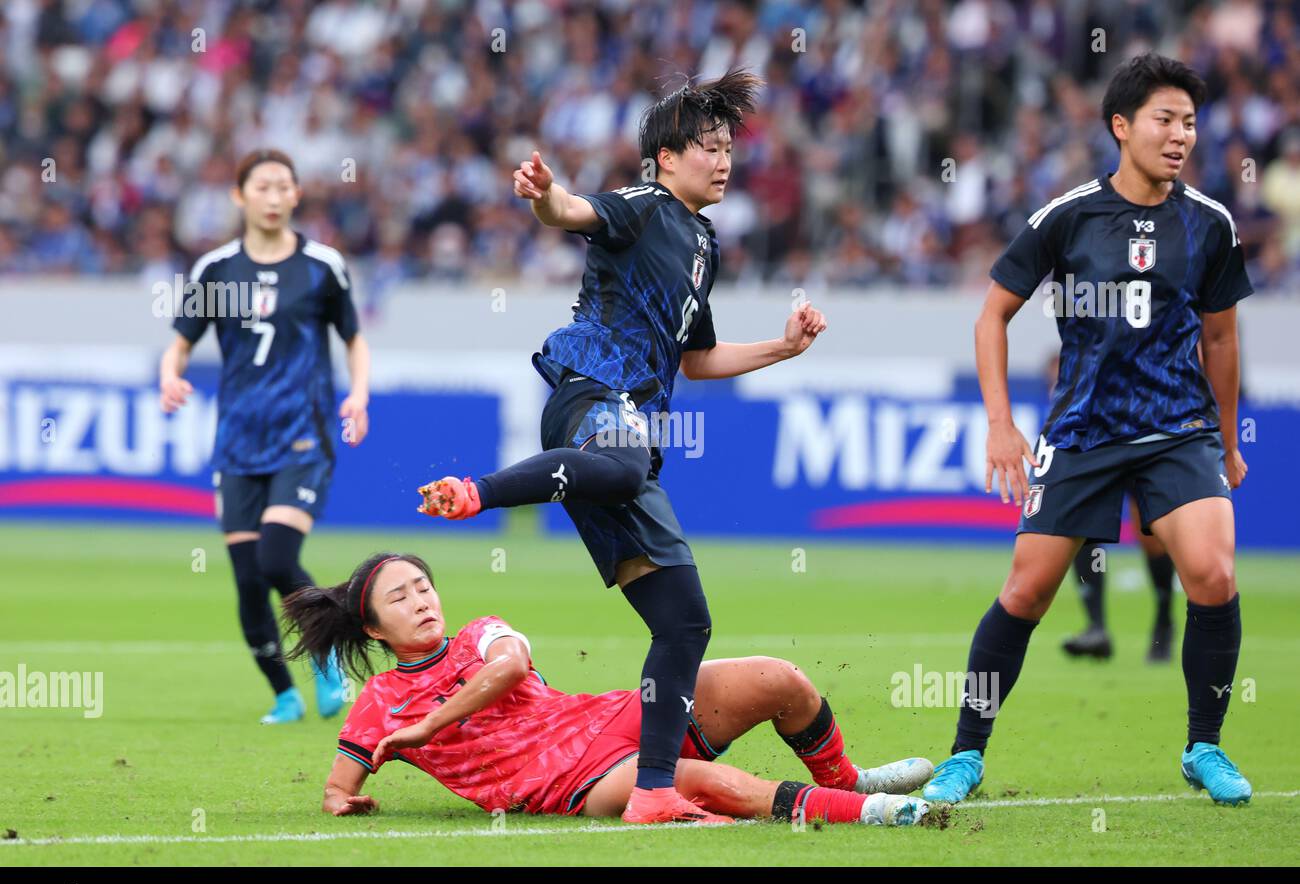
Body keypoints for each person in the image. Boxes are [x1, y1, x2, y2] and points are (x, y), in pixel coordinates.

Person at [415, 70, 830, 824]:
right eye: (709, 146)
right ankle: (481, 491)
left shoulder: (702, 244)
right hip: (591, 398)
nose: (724, 160)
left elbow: (694, 359)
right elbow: (571, 211)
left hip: (628, 430)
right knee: (629, 461)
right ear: (666, 159)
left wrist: (783, 348)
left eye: (730, 146)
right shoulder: (644, 206)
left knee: (685, 620)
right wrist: (544, 192)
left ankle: (652, 789)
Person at [923, 53, 1254, 806]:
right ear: (1122, 126)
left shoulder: (1210, 224)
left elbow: (1224, 341)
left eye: (1190, 123)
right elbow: (992, 315)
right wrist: (1001, 425)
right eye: (1165, 120)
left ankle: (1205, 746)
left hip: (1178, 429)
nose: (1181, 136)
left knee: (1215, 574)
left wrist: (1229, 441)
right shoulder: (1067, 217)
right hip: (1082, 432)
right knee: (1026, 592)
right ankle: (965, 755)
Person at [281, 552, 933, 826]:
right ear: (371, 626)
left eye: (424, 586)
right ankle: (871, 816)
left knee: (776, 679)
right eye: (400, 597)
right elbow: (340, 783)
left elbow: (507, 668)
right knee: (690, 782)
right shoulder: (380, 703)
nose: (421, 600)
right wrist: (341, 800)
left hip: (613, 718)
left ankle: (846, 781)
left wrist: (426, 728)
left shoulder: (482, 633)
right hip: (564, 781)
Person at [159, 148, 372, 724]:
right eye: (262, 187)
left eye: (284, 186)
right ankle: (284, 694)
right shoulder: (217, 268)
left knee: (278, 555)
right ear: (240, 196)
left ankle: (327, 658)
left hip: (302, 435)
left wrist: (358, 393)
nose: (274, 197)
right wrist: (170, 374)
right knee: (248, 578)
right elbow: (182, 338)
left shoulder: (321, 265)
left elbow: (352, 336)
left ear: (296, 195)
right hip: (237, 442)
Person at [1041, 353, 1178, 662]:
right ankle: (1097, 627)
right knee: (1085, 530)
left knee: (1151, 534)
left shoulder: (1140, 337)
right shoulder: (1085, 328)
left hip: (1142, 432)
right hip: (1094, 439)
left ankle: (1164, 619)